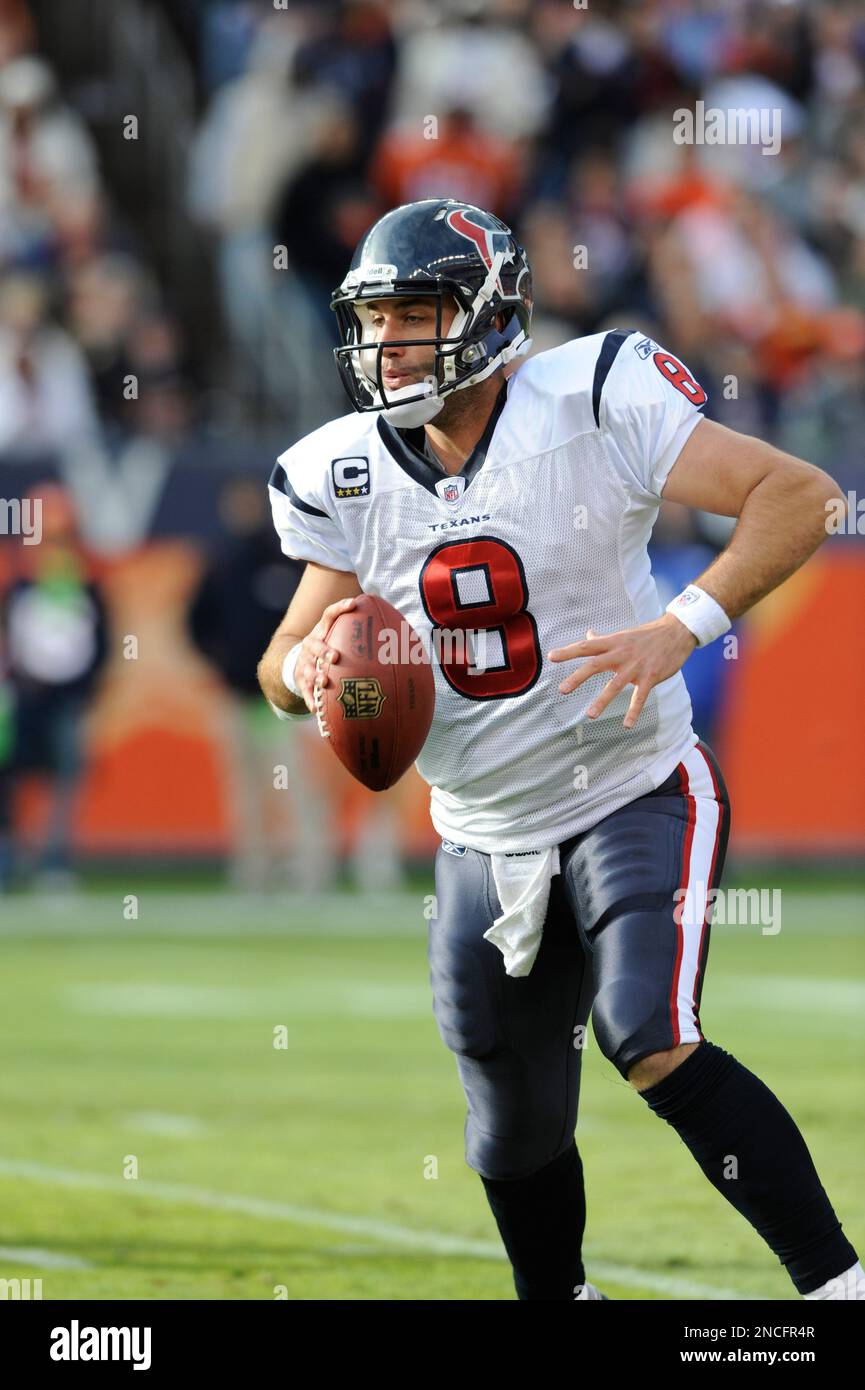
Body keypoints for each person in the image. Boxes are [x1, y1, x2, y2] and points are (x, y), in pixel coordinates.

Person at [257, 197, 863, 1302]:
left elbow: (803, 494)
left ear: (489, 316)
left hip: (633, 783)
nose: (389, 344)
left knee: (648, 1033)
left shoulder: (591, 396)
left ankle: (835, 1287)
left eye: (417, 314)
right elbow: (285, 652)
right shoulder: (341, 470)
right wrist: (305, 676)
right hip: (481, 833)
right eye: (376, 320)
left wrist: (679, 627)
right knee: (510, 1123)